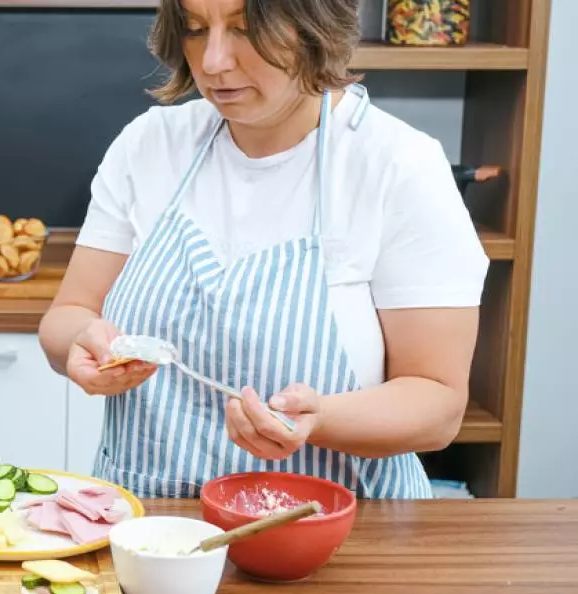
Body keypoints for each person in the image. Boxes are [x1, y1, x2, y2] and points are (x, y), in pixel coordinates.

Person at [39, 0, 489, 499]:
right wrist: (81, 343)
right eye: (193, 30)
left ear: (314, 26)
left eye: (245, 29)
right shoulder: (149, 146)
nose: (212, 62)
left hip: (332, 538)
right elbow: (67, 317)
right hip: (151, 529)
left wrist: (321, 419)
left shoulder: (397, 165)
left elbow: (438, 405)